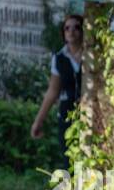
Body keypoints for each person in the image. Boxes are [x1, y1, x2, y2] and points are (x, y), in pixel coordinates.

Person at [31, 14, 84, 160]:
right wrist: (38, 121)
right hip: (67, 112)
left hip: (89, 111)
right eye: (67, 28)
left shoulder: (91, 55)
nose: (71, 31)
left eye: (76, 27)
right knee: (69, 159)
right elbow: (53, 91)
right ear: (63, 33)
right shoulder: (59, 58)